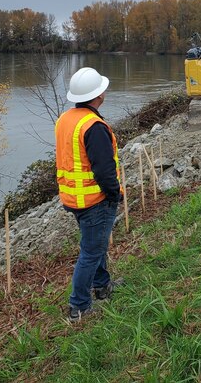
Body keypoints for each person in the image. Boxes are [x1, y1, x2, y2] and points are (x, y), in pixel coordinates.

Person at [55, 67, 124, 321]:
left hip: (73, 198)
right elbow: (104, 170)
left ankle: (102, 285)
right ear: (99, 94)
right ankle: (79, 306)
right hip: (95, 200)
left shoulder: (66, 119)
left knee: (96, 245)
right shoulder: (94, 126)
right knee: (91, 251)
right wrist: (115, 194)